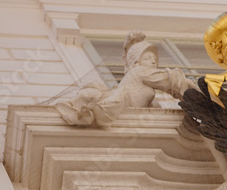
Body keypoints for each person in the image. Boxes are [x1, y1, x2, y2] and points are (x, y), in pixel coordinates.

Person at [57, 32, 195, 126]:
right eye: (148, 58)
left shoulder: (136, 71)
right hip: (121, 102)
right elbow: (171, 80)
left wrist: (131, 45)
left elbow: (129, 65)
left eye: (154, 60)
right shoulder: (140, 71)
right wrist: (194, 92)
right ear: (137, 62)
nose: (153, 62)